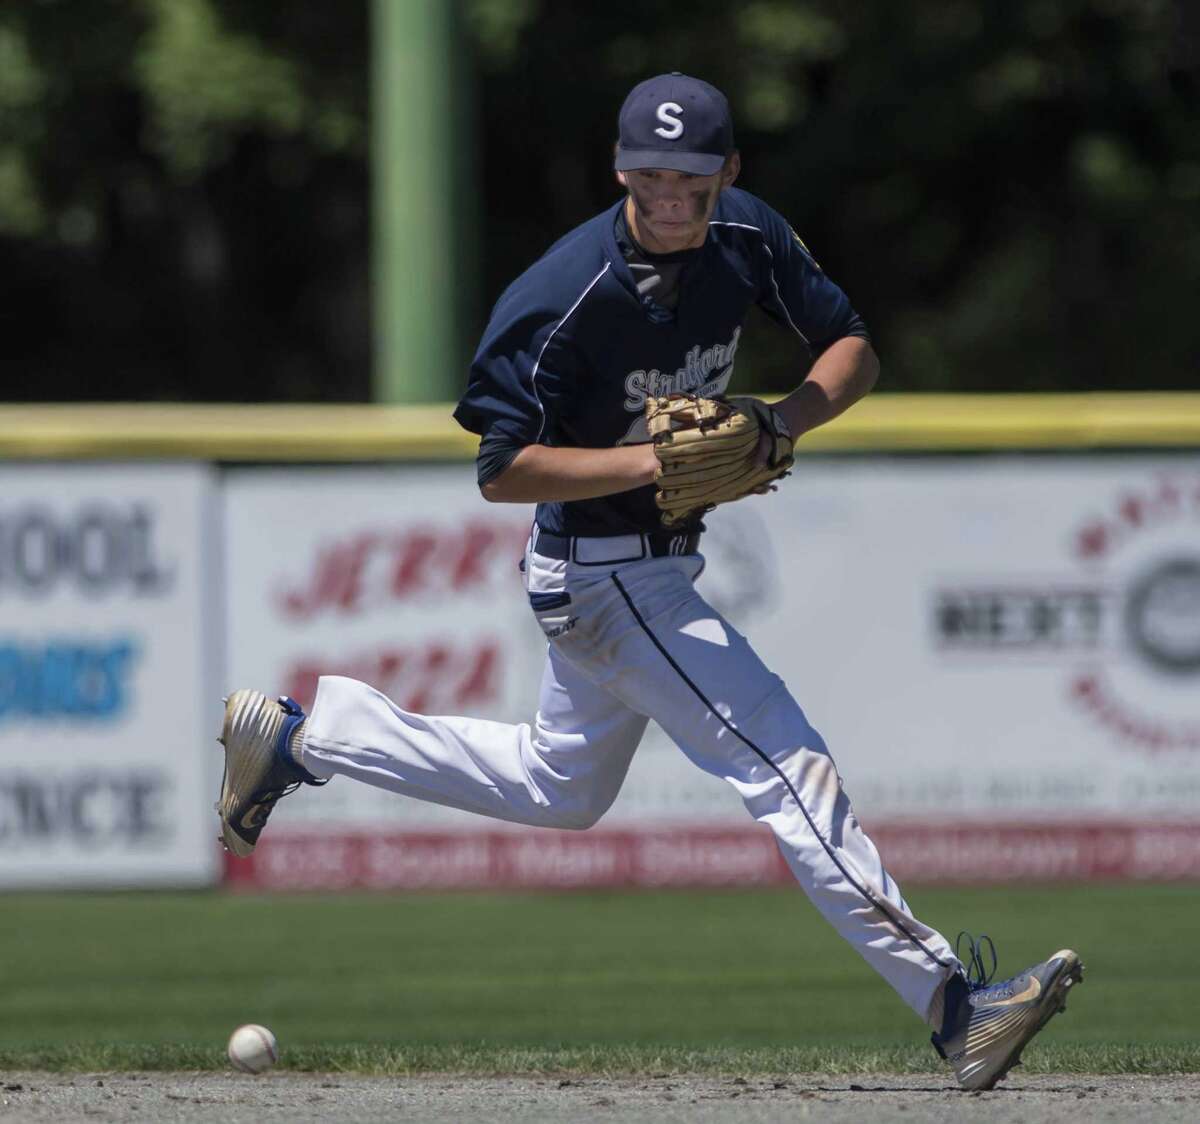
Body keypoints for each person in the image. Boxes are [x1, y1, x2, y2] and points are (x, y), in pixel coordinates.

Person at [216, 73, 1081, 1090]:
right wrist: (656, 465)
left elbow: (852, 348)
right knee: (785, 759)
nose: (673, 193)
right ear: (620, 170)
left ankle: (307, 734)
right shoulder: (564, 294)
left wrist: (778, 419)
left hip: (643, 567)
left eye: (695, 175)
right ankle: (953, 1004)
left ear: (730, 173)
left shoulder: (746, 236)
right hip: (606, 575)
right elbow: (501, 469)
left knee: (559, 786)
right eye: (651, 172)